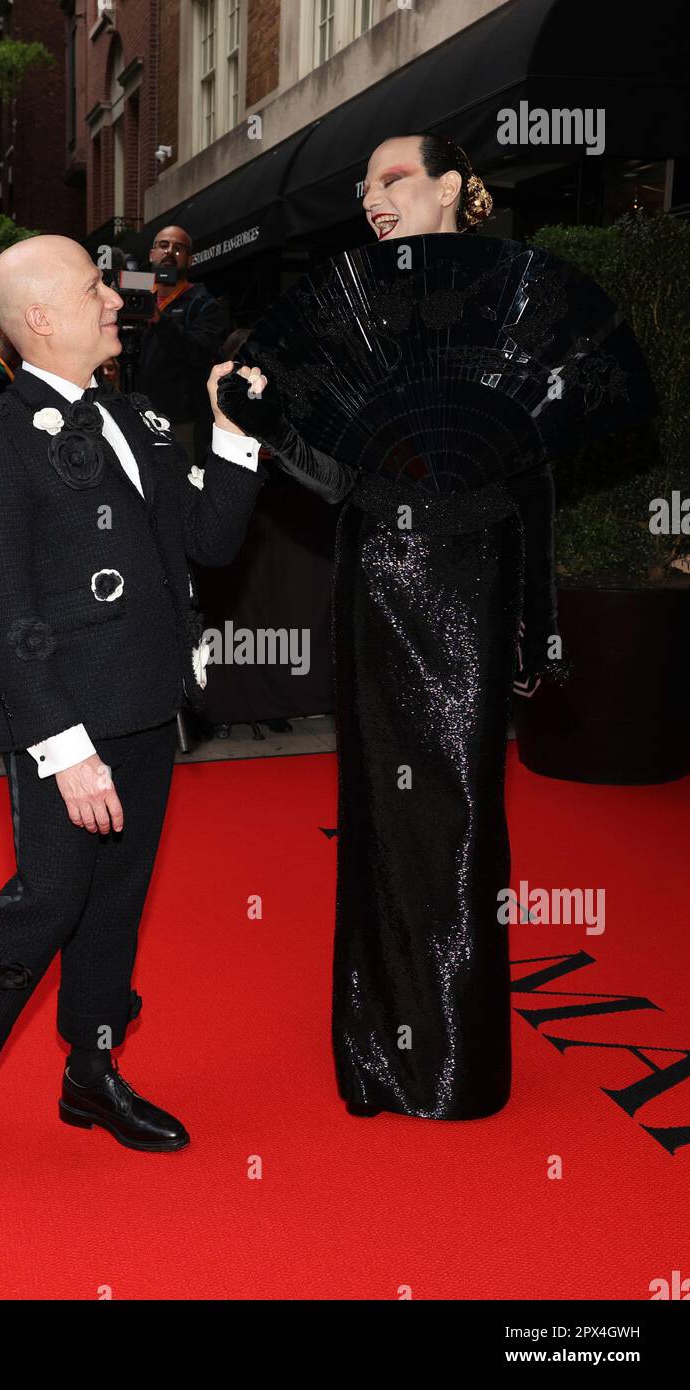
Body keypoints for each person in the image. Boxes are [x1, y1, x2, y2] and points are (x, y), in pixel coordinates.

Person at [0, 233, 265, 1201]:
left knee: (115, 906)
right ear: (41, 318)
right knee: (48, 900)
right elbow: (5, 616)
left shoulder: (135, 417)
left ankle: (89, 1071)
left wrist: (231, 431)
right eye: (96, 287)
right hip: (66, 728)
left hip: (147, 710)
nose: (116, 299)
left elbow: (212, 542)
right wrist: (65, 751)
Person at [216, 132, 570, 1123]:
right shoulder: (368, 308)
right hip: (372, 582)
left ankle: (451, 1068)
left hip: (456, 592)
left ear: (456, 188)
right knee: (376, 815)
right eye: (364, 183)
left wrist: (536, 624)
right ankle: (377, 1051)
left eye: (393, 177)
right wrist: (273, 419)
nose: (370, 196)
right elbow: (353, 477)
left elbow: (519, 478)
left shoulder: (506, 301)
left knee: (450, 826)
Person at [134, 225, 228, 467]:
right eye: (163, 245)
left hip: (181, 421)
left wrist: (159, 320)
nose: (169, 252)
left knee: (179, 487)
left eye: (178, 249)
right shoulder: (137, 290)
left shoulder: (203, 303)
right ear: (151, 254)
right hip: (136, 416)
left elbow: (200, 352)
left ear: (190, 259)